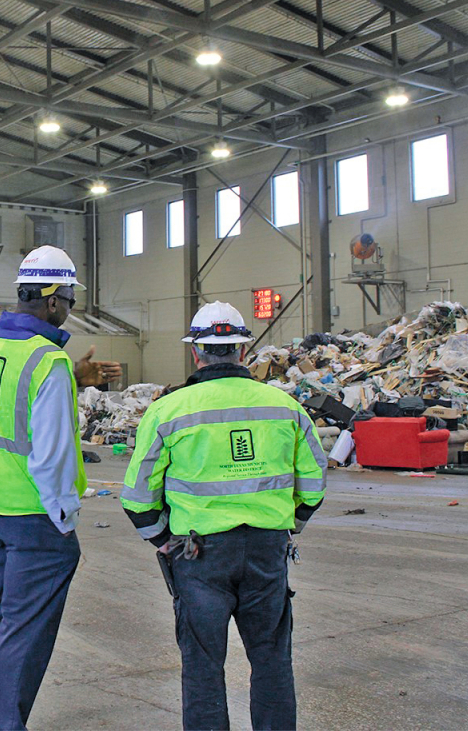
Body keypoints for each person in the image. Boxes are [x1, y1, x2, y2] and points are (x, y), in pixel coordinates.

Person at [120, 301, 327, 731]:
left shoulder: (169, 410)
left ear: (196, 353)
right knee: (271, 660)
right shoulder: (285, 407)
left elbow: (137, 498)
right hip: (267, 552)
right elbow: (315, 483)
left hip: (198, 555)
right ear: (244, 351)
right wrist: (291, 528)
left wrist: (162, 540)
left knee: (202, 667)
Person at [0, 245, 121, 731]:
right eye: (69, 298)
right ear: (51, 300)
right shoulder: (46, 362)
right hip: (34, 517)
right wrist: (64, 515)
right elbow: (51, 456)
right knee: (24, 634)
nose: (70, 308)